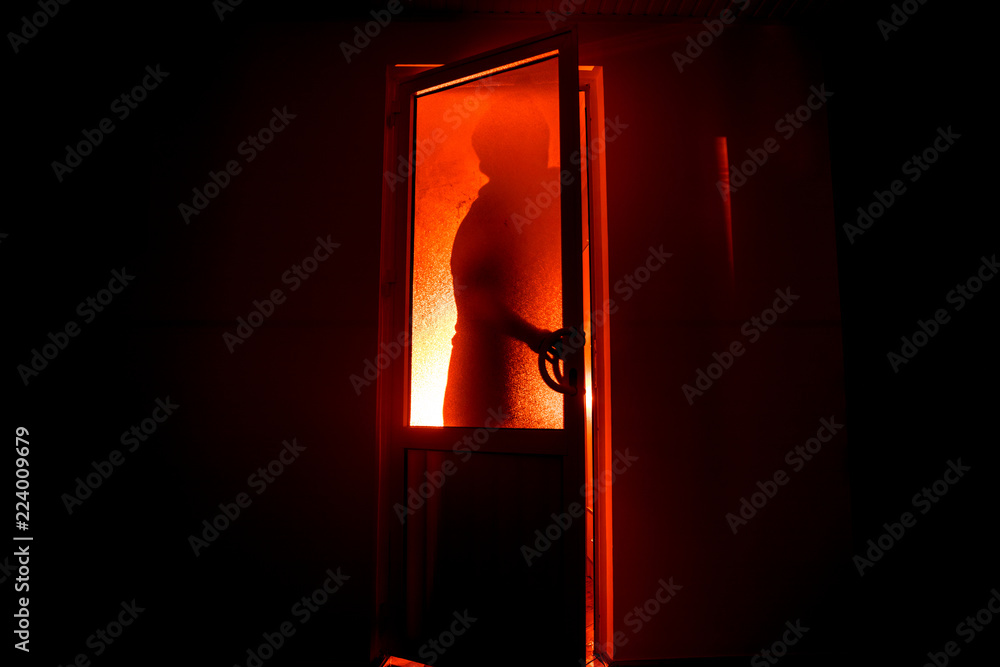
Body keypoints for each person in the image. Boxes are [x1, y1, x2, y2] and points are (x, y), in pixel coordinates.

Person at [442, 96, 562, 428]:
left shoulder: (529, 207)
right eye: (534, 148)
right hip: (483, 383)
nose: (541, 156)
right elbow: (477, 296)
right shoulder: (489, 215)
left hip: (502, 382)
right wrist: (537, 338)